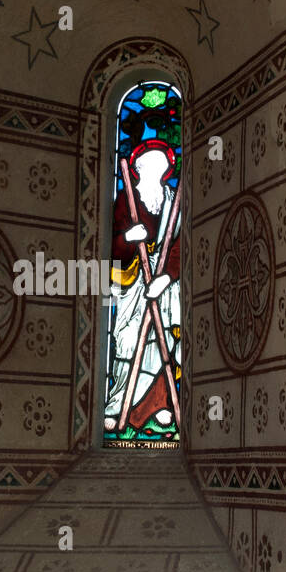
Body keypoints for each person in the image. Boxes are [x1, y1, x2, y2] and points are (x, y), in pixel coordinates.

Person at [105, 139, 181, 434]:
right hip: (133, 279)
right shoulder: (127, 199)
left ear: (167, 169)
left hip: (163, 281)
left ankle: (161, 404)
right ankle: (118, 403)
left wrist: (166, 277)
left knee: (164, 337)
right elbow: (110, 245)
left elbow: (180, 243)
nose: (155, 168)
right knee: (128, 337)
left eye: (161, 164)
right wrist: (127, 238)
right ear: (137, 168)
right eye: (148, 163)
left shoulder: (174, 199)